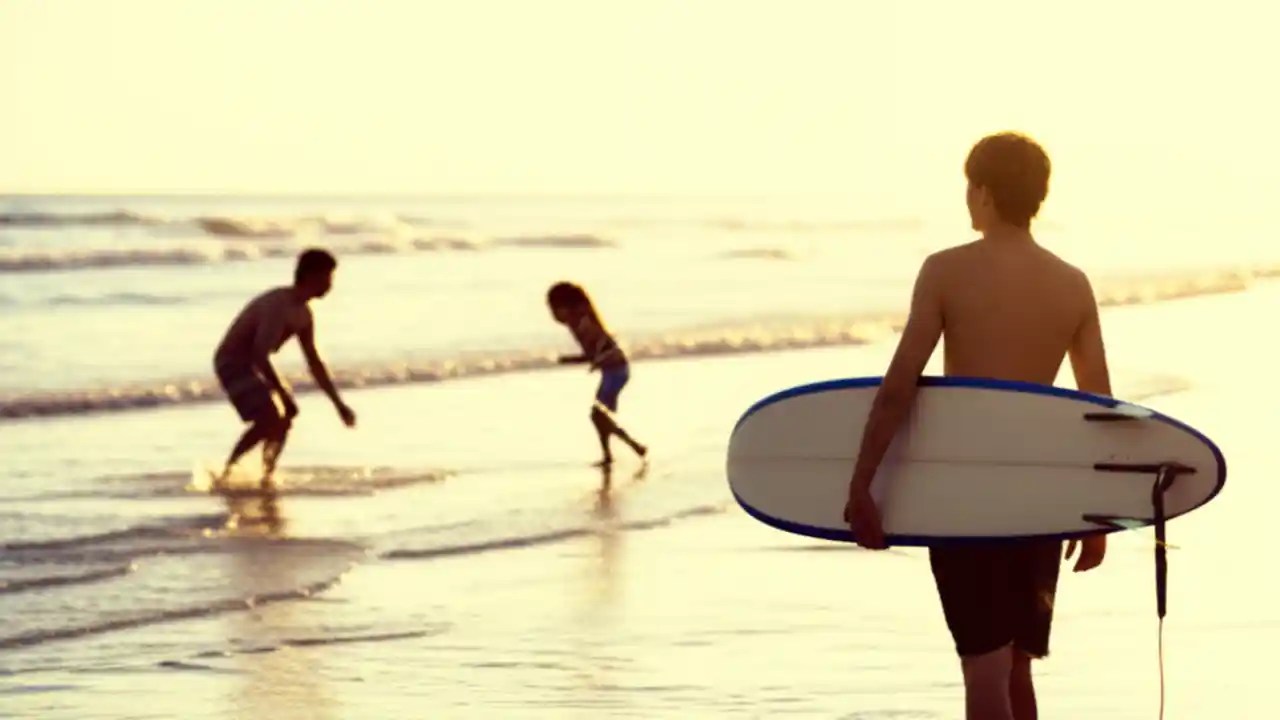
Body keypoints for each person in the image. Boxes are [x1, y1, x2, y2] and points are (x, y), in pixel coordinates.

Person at [842, 132, 1111, 720]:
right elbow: (1098, 408)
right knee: (1015, 669)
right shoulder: (1073, 283)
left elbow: (897, 389)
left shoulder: (945, 271)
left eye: (969, 186)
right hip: (1040, 499)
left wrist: (862, 483)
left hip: (967, 496)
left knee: (983, 673)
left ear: (983, 193)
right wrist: (1097, 516)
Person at [213, 248, 356, 486]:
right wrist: (282, 392)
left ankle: (266, 474)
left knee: (284, 418)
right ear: (310, 275)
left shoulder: (304, 314)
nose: (330, 284)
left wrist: (338, 404)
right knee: (270, 416)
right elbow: (260, 354)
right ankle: (228, 472)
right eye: (327, 277)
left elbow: (314, 362)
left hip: (253, 364)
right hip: (232, 362)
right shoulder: (279, 305)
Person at [547, 281, 647, 467]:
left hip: (616, 371)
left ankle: (634, 446)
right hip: (613, 370)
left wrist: (595, 359)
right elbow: (593, 353)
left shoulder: (584, 324)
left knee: (598, 415)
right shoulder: (578, 325)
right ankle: (612, 454)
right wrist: (574, 359)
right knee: (600, 417)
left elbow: (601, 347)